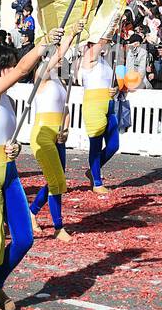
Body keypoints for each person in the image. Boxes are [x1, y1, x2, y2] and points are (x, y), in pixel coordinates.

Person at [0, 28, 63, 310]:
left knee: (24, 237)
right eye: (8, 66)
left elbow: (3, 137)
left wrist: (14, 147)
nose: (15, 70)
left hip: (8, 173)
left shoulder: (6, 100)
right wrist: (42, 42)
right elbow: (24, 67)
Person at [28, 21, 82, 241]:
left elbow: (65, 107)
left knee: (57, 180)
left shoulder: (59, 80)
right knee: (56, 181)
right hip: (43, 134)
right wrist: (70, 34)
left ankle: (31, 213)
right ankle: (58, 227)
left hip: (58, 135)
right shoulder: (41, 74)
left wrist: (66, 129)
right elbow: (57, 55)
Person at [79, 29, 120, 194]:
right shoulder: (88, 58)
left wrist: (114, 90)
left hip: (108, 105)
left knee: (113, 145)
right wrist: (113, 21)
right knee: (95, 146)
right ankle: (97, 182)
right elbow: (102, 41)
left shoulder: (105, 62)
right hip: (94, 105)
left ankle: (92, 171)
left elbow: (113, 84)